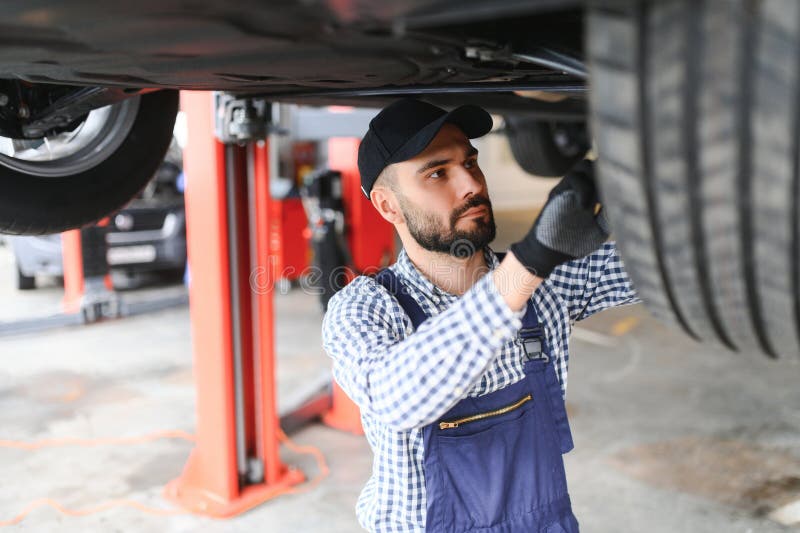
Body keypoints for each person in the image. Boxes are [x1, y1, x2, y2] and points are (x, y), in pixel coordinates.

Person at [322, 98, 640, 532]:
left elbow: (677, 268)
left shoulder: (547, 281)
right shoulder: (365, 309)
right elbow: (395, 398)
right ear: (387, 206)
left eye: (470, 162)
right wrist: (528, 265)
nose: (470, 183)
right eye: (438, 173)